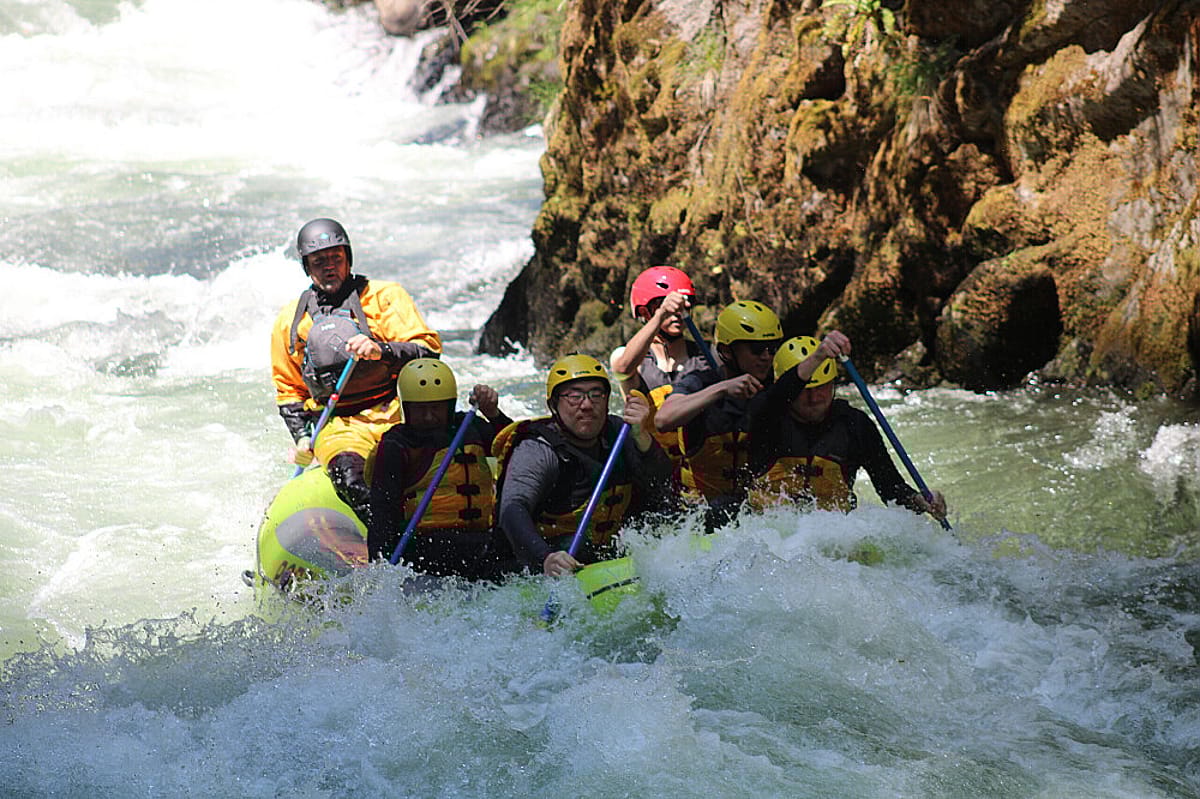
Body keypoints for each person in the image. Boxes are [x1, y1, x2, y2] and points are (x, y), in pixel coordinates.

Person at [270, 218, 442, 523]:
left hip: (394, 411)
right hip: (338, 425)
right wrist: (301, 437)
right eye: (319, 260)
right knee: (351, 478)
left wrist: (382, 349)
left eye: (336, 258)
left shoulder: (384, 296)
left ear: (348, 258)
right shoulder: (290, 321)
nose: (329, 267)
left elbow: (428, 351)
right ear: (306, 266)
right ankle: (387, 555)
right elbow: (289, 390)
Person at [494, 354, 675, 577]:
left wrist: (643, 437)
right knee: (579, 547)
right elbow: (512, 509)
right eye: (574, 396)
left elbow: (664, 487)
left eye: (596, 394)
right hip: (552, 558)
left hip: (608, 552)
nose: (587, 405)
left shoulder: (622, 432)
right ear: (553, 405)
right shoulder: (538, 450)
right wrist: (545, 558)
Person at [743, 332, 948, 520]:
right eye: (805, 390)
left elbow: (890, 488)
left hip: (834, 536)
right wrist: (818, 356)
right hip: (772, 534)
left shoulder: (854, 424)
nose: (814, 398)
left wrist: (921, 502)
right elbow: (777, 396)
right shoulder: (766, 418)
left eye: (822, 387)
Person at [367, 359, 516, 580]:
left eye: (436, 408)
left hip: (481, 542)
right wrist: (379, 568)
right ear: (406, 408)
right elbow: (383, 513)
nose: (429, 417)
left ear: (449, 405)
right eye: (420, 410)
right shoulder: (396, 445)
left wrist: (493, 414)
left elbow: (516, 450)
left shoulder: (471, 427)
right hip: (424, 548)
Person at [654, 300, 783, 520]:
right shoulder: (701, 382)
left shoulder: (774, 390)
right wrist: (722, 389)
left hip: (746, 514)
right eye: (756, 349)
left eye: (772, 349)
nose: (766, 357)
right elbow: (663, 419)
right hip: (693, 515)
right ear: (726, 351)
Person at [609, 266, 709, 478]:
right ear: (644, 311)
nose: (676, 314)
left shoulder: (706, 356)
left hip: (697, 468)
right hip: (652, 462)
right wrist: (661, 313)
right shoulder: (628, 358)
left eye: (681, 306)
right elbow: (623, 369)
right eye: (661, 305)